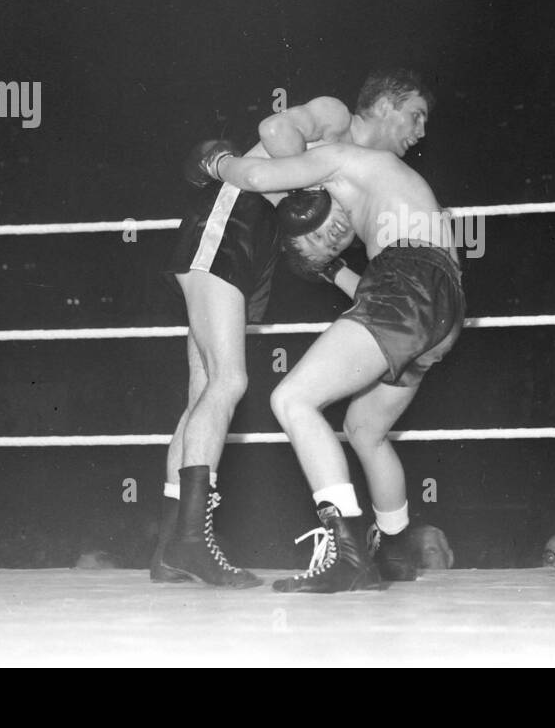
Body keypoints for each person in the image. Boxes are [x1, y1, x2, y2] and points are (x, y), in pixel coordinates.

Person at [154, 69, 433, 587]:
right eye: (414, 115)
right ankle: (189, 543)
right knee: (228, 382)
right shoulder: (335, 117)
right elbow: (275, 129)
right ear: (385, 105)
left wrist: (318, 244)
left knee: (203, 393)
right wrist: (296, 204)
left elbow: (323, 249)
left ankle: (170, 546)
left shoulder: (361, 175)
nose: (419, 132)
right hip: (233, 219)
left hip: (255, 249)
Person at [213, 138, 462, 593]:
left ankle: (348, 556)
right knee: (366, 430)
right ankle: (393, 553)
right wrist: (331, 270)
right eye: (322, 245)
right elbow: (389, 292)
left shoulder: (338, 161)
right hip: (439, 309)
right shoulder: (381, 215)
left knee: (292, 399)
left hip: (410, 287)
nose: (329, 238)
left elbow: (256, 174)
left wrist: (217, 162)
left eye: (319, 233)